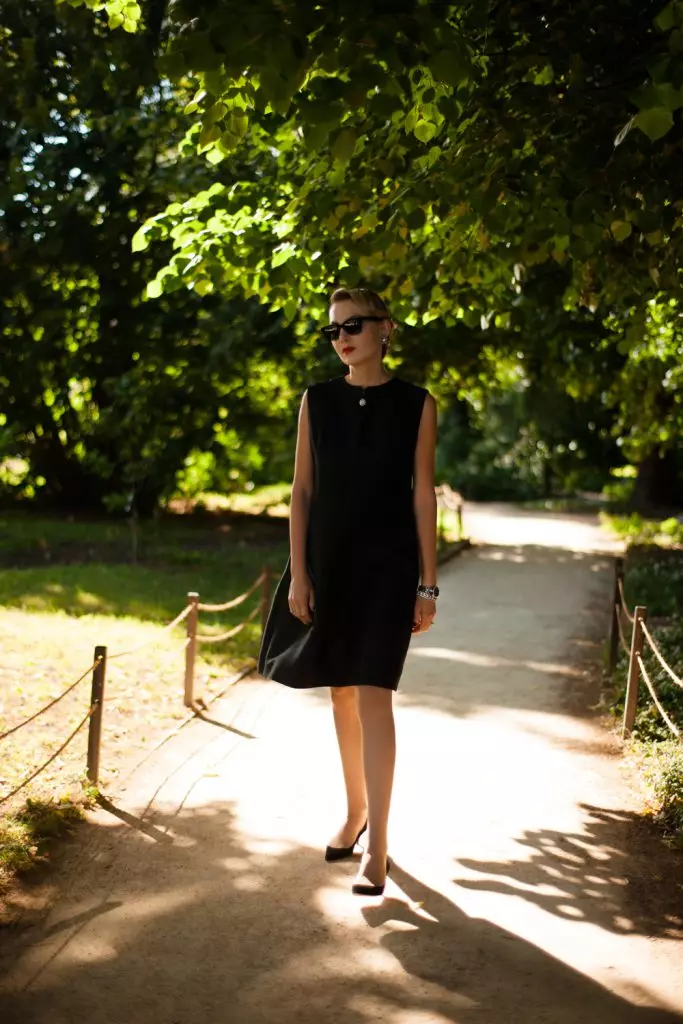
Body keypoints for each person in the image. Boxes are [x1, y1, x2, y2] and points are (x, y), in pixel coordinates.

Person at [258, 286, 438, 896]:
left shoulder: (417, 403)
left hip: (388, 567)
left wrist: (428, 585)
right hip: (328, 564)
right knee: (339, 693)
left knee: (373, 694)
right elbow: (302, 490)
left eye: (354, 324)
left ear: (385, 328)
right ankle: (355, 812)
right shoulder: (318, 401)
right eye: (334, 329)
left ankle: (380, 847)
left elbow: (422, 495)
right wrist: (299, 573)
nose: (342, 337)